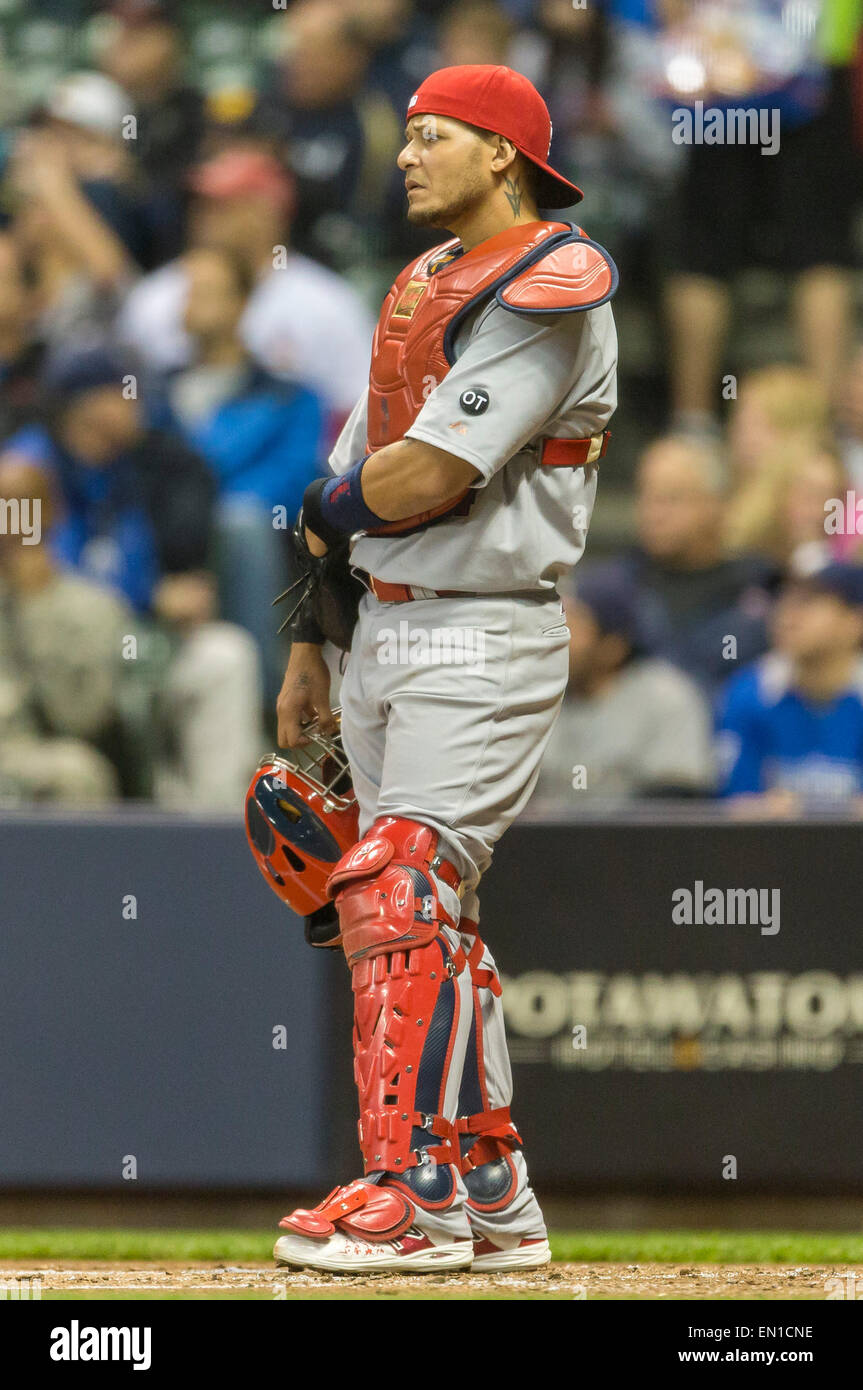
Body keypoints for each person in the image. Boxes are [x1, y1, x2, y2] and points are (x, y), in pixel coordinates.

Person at [272, 64, 618, 1273]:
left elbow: (423, 478)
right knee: (432, 917)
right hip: (384, 627)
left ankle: (406, 1190)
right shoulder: (421, 283)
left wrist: (320, 508)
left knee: (395, 881)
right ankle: (483, 1173)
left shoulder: (553, 282)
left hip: (484, 622)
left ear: (504, 155)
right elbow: (352, 474)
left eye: (436, 136)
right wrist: (312, 635)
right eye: (409, 134)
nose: (409, 154)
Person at [152, 244, 325, 699]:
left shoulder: (287, 397)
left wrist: (201, 498)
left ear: (241, 303)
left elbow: (293, 485)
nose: (191, 302)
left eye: (206, 291)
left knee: (241, 518)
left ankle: (266, 700)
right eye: (186, 290)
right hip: (164, 550)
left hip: (256, 547)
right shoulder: (152, 394)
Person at [115, 145, 375, 430]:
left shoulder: (327, 305)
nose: (205, 217)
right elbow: (125, 403)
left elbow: (358, 414)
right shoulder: (156, 296)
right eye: (201, 204)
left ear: (267, 213)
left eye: (224, 206)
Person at [534, 564, 714, 804]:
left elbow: (674, 808)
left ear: (613, 647)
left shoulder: (665, 699)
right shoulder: (534, 697)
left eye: (572, 622)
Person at [618, 434, 776, 697]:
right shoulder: (615, 593)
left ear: (718, 504)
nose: (654, 513)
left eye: (671, 498)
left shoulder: (762, 590)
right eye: (646, 495)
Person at [717, 564, 863, 815]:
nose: (786, 617)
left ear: (854, 621)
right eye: (782, 602)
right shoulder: (749, 692)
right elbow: (735, 803)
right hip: (770, 849)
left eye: (807, 603)